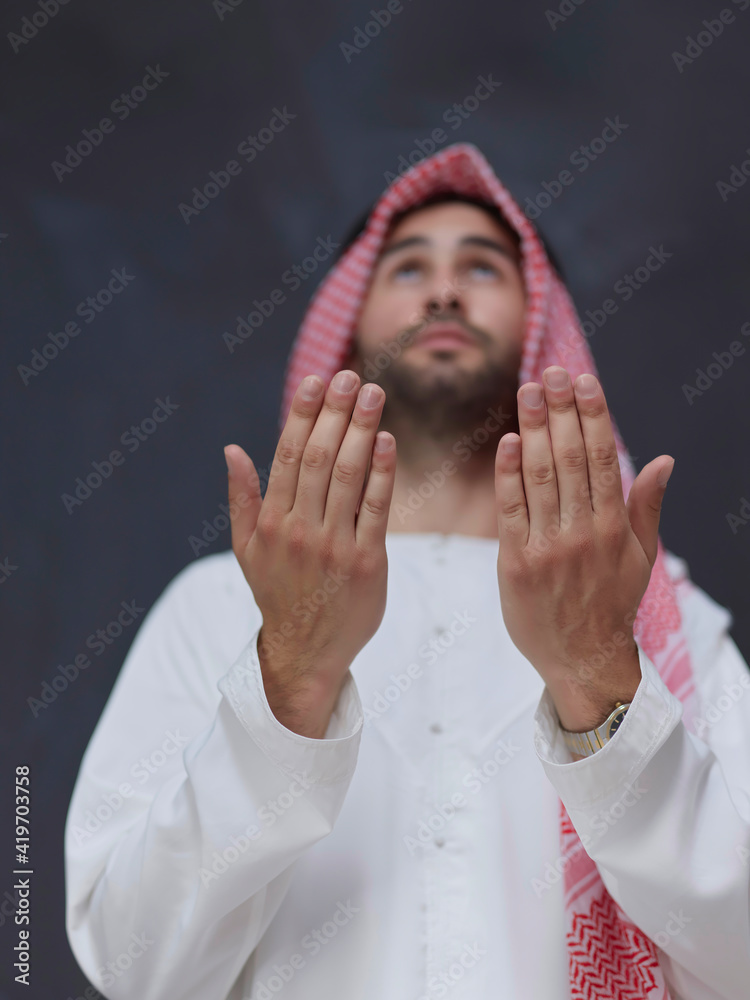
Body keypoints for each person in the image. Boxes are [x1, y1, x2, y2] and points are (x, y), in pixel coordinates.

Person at [65, 143, 750, 1000]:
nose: (445, 291)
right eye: (409, 268)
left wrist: (599, 677)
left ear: (541, 321)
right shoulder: (220, 606)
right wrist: (291, 675)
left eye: (483, 267)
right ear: (350, 324)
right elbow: (132, 963)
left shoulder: (649, 617)